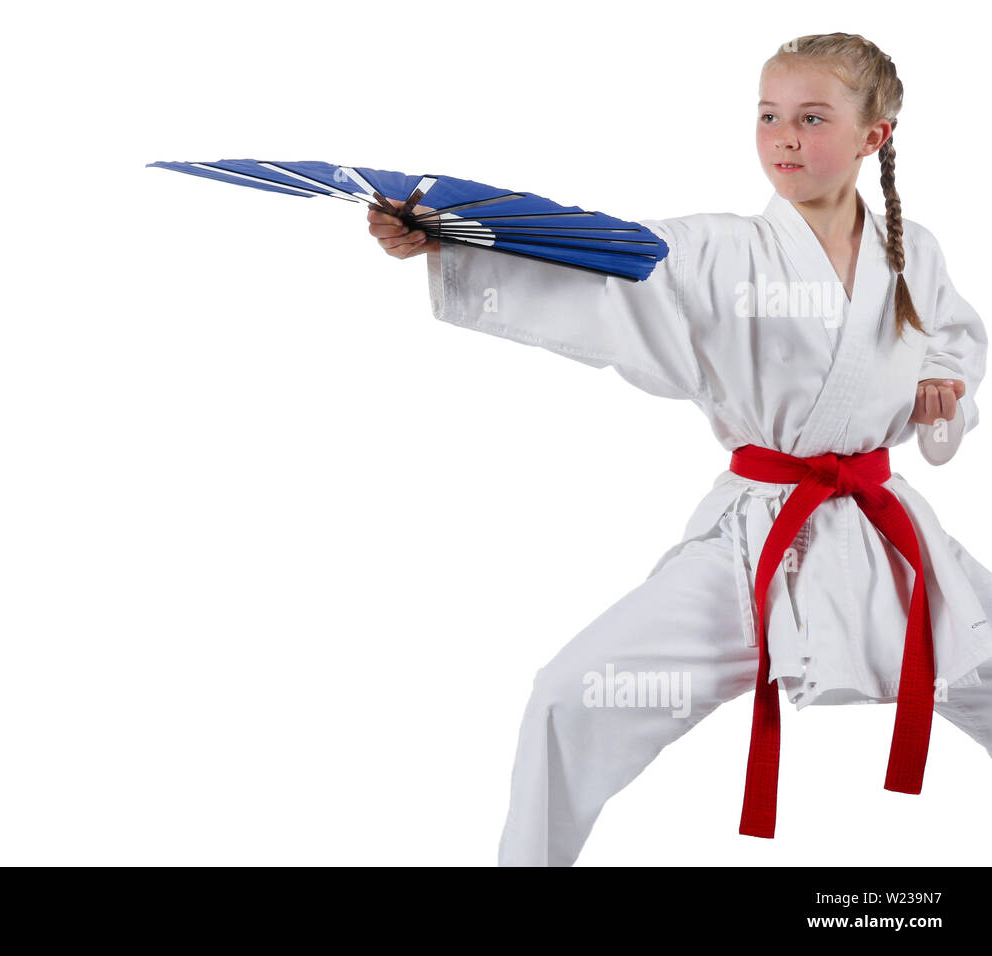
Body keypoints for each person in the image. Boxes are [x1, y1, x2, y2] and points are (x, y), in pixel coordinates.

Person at [367, 32, 992, 866]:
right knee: (569, 694)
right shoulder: (719, 252)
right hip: (759, 540)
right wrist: (457, 238)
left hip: (887, 538)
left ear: (875, 136)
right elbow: (611, 257)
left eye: (812, 118)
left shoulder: (914, 255)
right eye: (769, 116)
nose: (785, 138)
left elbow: (951, 342)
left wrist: (938, 393)